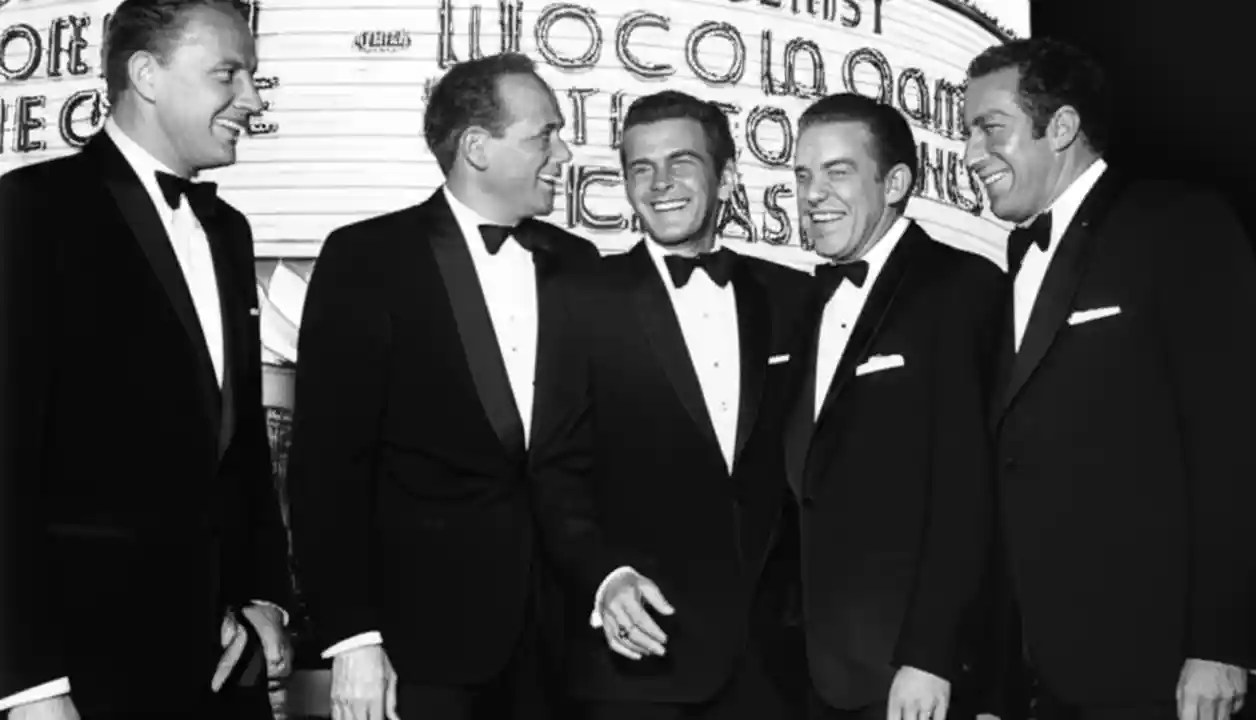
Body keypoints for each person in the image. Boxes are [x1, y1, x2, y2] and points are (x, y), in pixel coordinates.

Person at [963, 37, 1256, 720]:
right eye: (966, 133)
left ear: (1063, 127)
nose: (969, 155)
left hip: (1162, 667)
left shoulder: (1177, 223)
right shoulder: (1016, 260)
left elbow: (1240, 446)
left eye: (990, 129)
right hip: (1039, 672)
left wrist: (1220, 641)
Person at [0, 0, 294, 717]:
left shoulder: (228, 230)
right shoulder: (32, 210)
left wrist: (266, 601)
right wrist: (29, 684)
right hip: (82, 675)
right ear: (146, 75)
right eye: (229, 73)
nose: (252, 100)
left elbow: (241, 447)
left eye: (252, 76)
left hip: (223, 666)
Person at [284, 52, 599, 720]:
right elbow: (326, 469)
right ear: (477, 147)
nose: (564, 152)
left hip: (561, 648)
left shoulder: (577, 261)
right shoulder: (367, 258)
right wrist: (352, 637)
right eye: (544, 134)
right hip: (418, 650)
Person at [528, 89, 809, 720]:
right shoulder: (579, 298)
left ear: (728, 176)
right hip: (635, 664)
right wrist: (604, 579)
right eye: (639, 168)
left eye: (682, 163)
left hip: (772, 671)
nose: (660, 184)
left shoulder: (792, 299)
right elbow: (553, 469)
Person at [783, 92, 1004, 720]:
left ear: (897, 182)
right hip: (817, 669)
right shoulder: (805, 303)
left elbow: (970, 491)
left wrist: (935, 654)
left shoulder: (961, 290)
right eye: (802, 174)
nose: (813, 193)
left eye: (838, 171)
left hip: (917, 675)